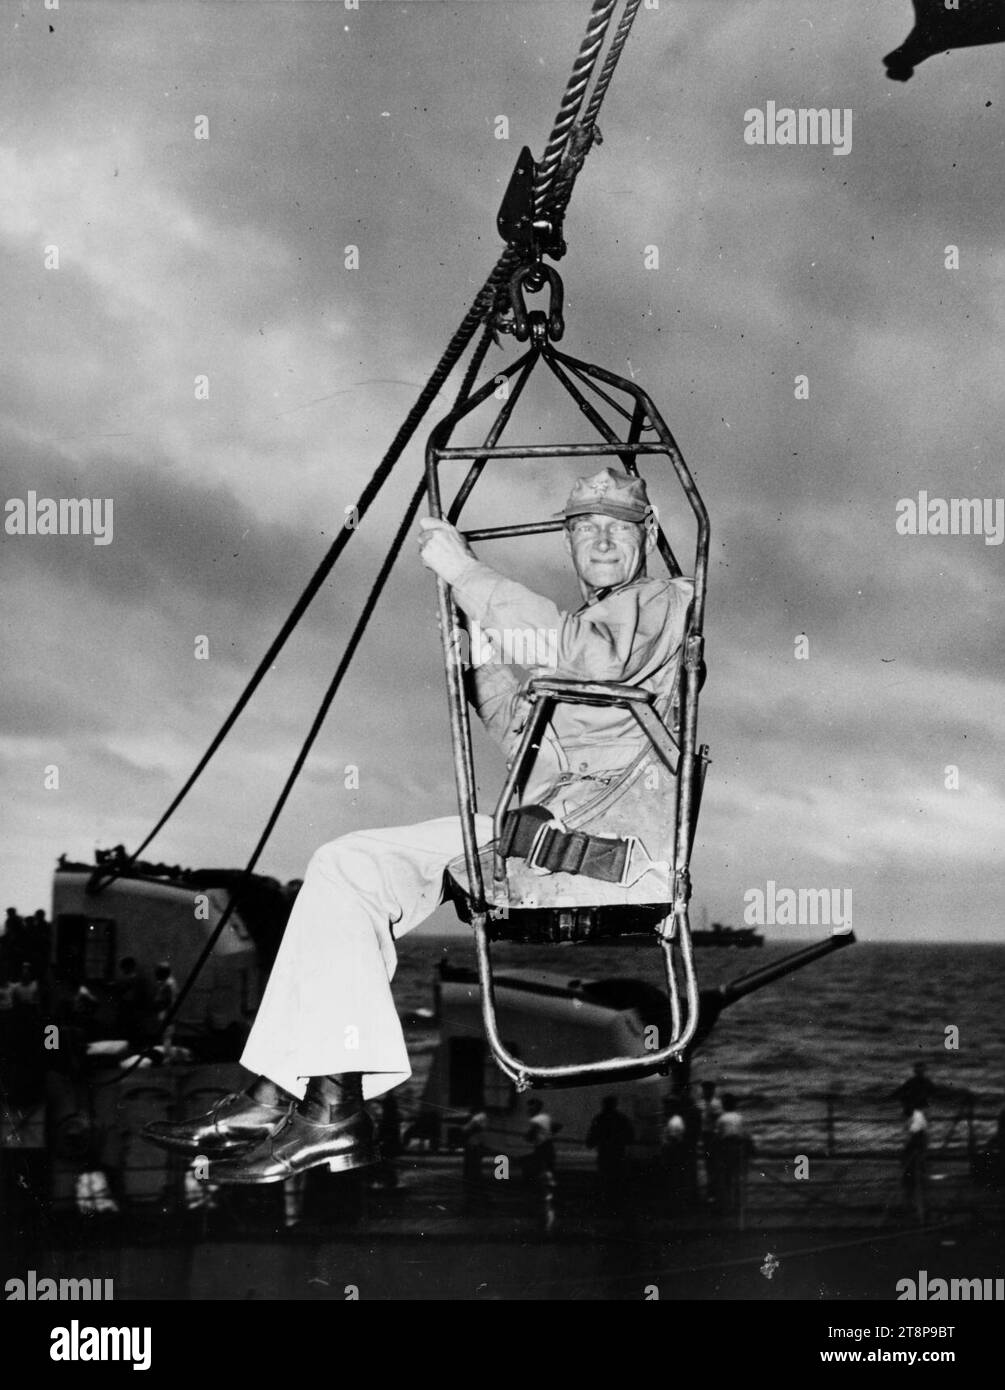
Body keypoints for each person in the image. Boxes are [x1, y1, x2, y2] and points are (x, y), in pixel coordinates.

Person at [142, 468, 695, 1184]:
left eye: (617, 525)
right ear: (566, 540)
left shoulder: (661, 603)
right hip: (548, 835)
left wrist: (466, 572)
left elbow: (581, 655)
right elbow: (524, 730)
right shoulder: (597, 622)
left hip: (601, 856)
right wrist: (480, 650)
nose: (599, 538)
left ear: (647, 535)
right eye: (584, 525)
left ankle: (329, 1112)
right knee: (345, 865)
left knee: (355, 868)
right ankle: (286, 1094)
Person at [586, 1095, 635, 1207]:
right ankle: (617, 1204)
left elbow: (593, 1135)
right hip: (618, 1153)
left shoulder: (600, 1118)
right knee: (617, 1179)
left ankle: (607, 1204)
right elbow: (630, 1136)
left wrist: (591, 1143)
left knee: (605, 1179)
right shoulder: (622, 1119)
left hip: (604, 1153)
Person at [714, 1093, 753, 1213]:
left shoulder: (721, 1119)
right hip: (739, 1148)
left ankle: (728, 1205)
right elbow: (746, 1135)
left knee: (727, 1178)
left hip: (726, 1149)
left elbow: (718, 1137)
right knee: (738, 1177)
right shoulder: (739, 1117)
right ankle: (738, 1204)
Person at [524, 1099, 560, 1180]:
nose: (529, 1111)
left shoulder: (537, 1120)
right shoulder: (544, 1117)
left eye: (531, 1109)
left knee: (541, 1167)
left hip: (543, 1147)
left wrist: (530, 1136)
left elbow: (530, 1135)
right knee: (547, 1167)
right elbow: (557, 1126)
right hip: (546, 1146)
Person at [699, 1080, 723, 1201]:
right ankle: (710, 1192)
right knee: (709, 1166)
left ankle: (715, 1193)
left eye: (708, 1089)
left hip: (713, 1136)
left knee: (714, 1165)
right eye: (704, 1089)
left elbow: (718, 1121)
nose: (705, 1092)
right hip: (705, 1136)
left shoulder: (715, 1104)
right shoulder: (702, 1103)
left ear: (712, 1091)